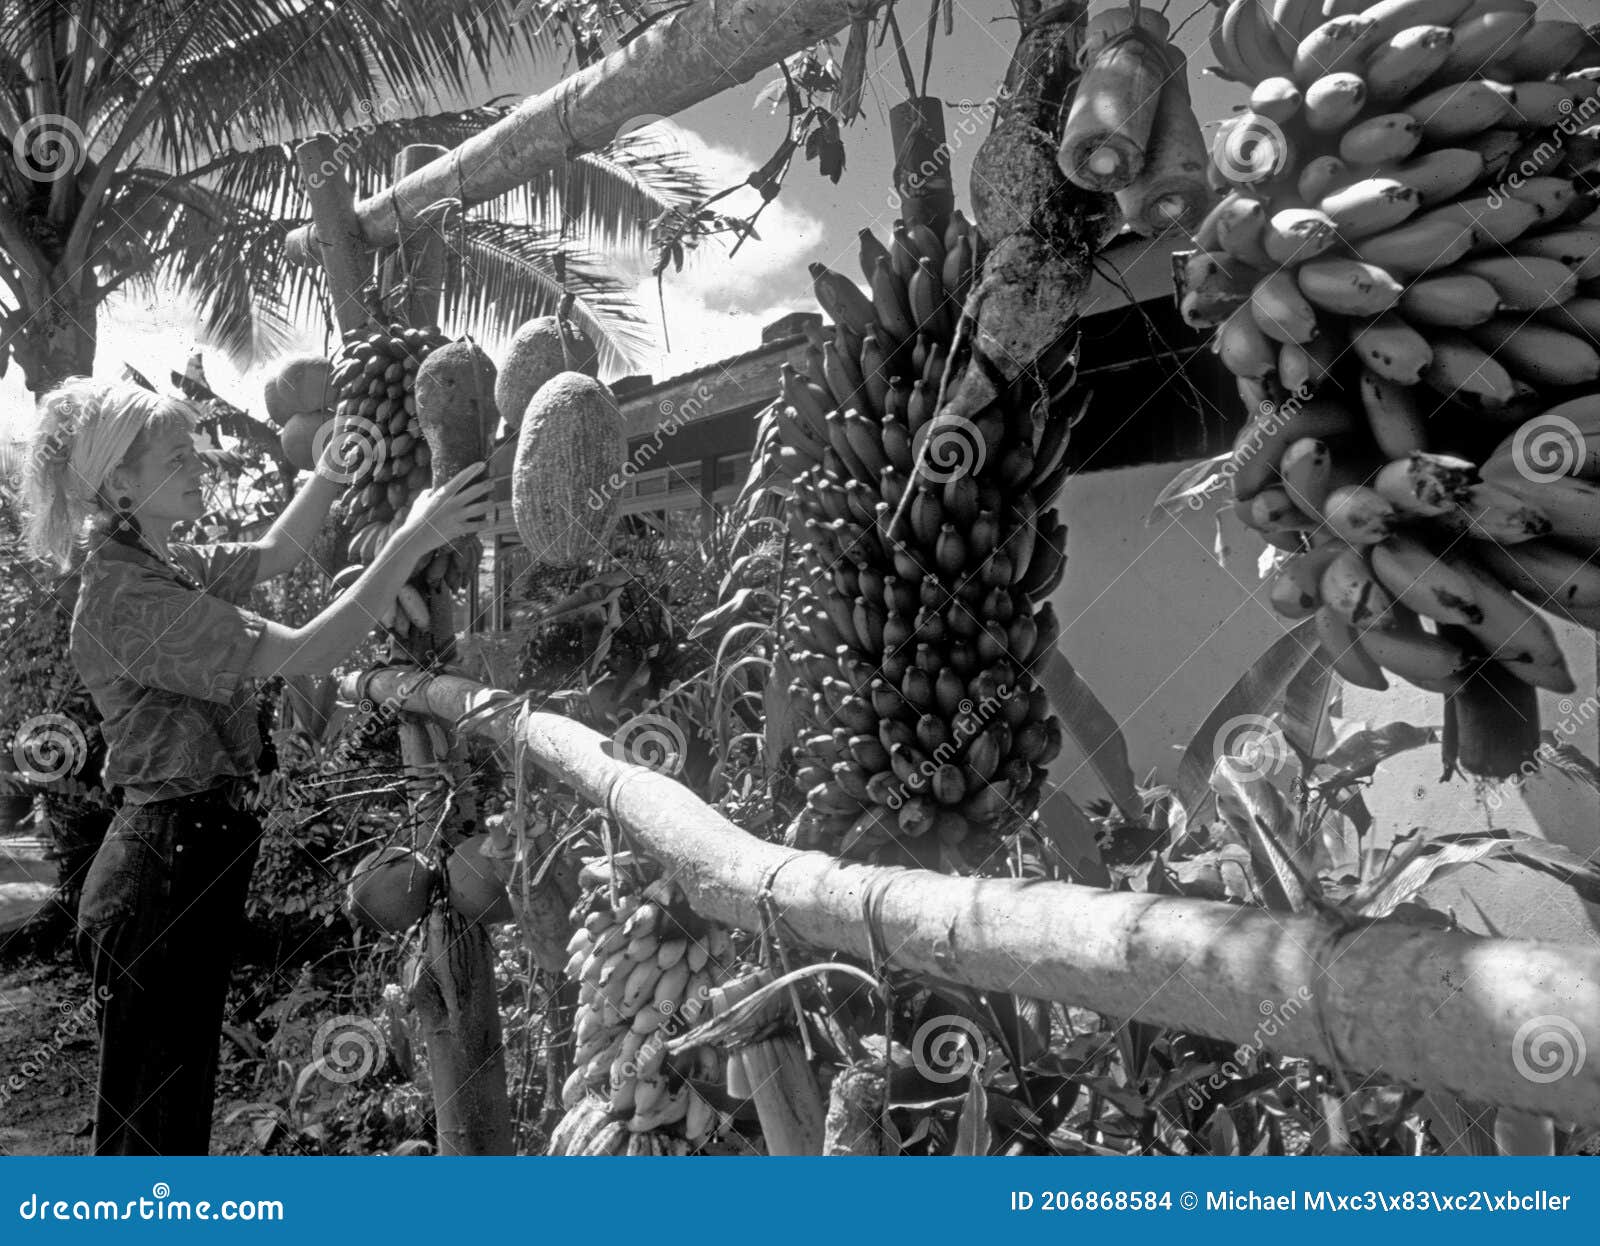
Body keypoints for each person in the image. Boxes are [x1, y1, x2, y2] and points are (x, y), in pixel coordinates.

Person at [18, 375, 490, 1155]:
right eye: (178, 456)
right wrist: (412, 535)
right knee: (152, 1134)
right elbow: (310, 648)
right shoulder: (130, 596)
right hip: (159, 870)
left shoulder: (162, 559)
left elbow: (276, 553)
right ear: (124, 483)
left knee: (168, 1116)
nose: (199, 465)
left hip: (184, 855)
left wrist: (334, 467)